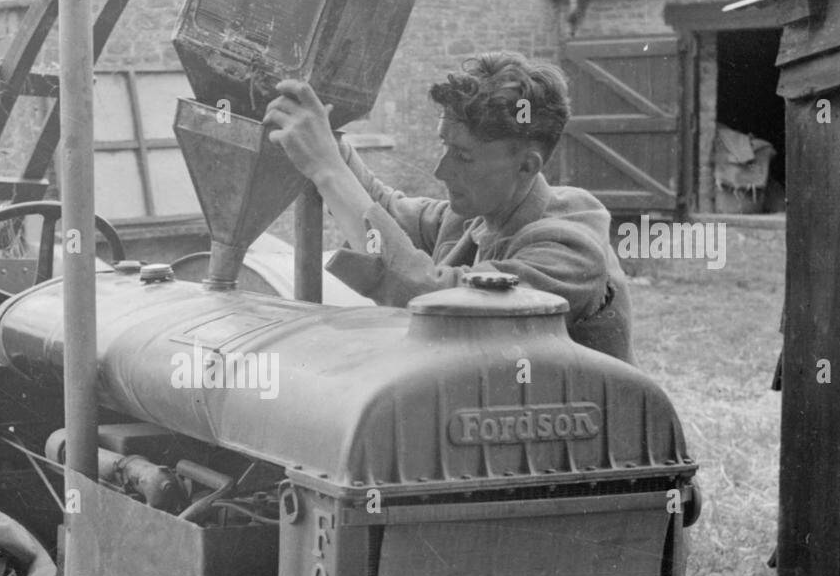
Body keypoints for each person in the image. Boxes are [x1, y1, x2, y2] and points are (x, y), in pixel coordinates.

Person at [262, 51, 634, 362]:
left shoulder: (570, 250)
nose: (441, 170)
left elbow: (440, 304)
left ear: (527, 166)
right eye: (444, 146)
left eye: (463, 155)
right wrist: (327, 143)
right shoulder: (472, 217)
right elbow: (385, 208)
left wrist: (327, 169)